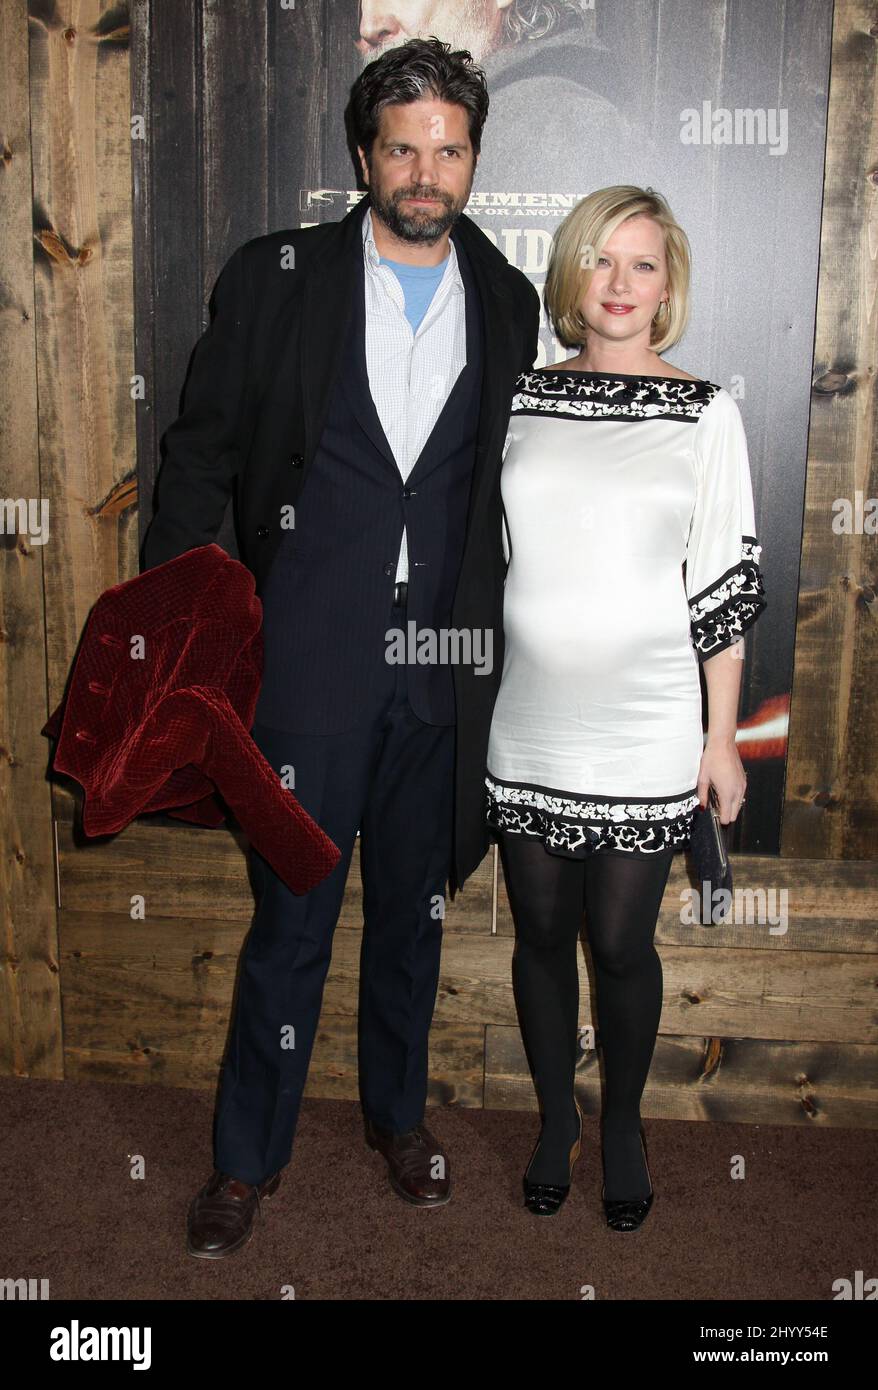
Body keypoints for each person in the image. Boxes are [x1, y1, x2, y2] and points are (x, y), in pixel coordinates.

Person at [141, 36, 540, 1258]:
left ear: (473, 158)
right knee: (293, 920)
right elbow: (198, 453)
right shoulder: (276, 279)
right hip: (308, 657)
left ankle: (395, 1117)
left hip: (443, 669)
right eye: (403, 147)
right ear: (364, 155)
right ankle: (243, 1162)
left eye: (449, 149)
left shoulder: (509, 300)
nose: (427, 171)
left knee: (412, 914)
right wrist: (174, 624)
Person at [485, 185, 767, 1229]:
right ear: (572, 275)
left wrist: (720, 738)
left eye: (640, 265)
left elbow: (722, 589)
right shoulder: (518, 398)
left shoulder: (703, 411)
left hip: (647, 725)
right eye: (600, 260)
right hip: (529, 723)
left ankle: (621, 1125)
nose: (618, 284)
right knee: (538, 933)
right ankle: (555, 1117)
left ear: (667, 284)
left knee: (618, 943)